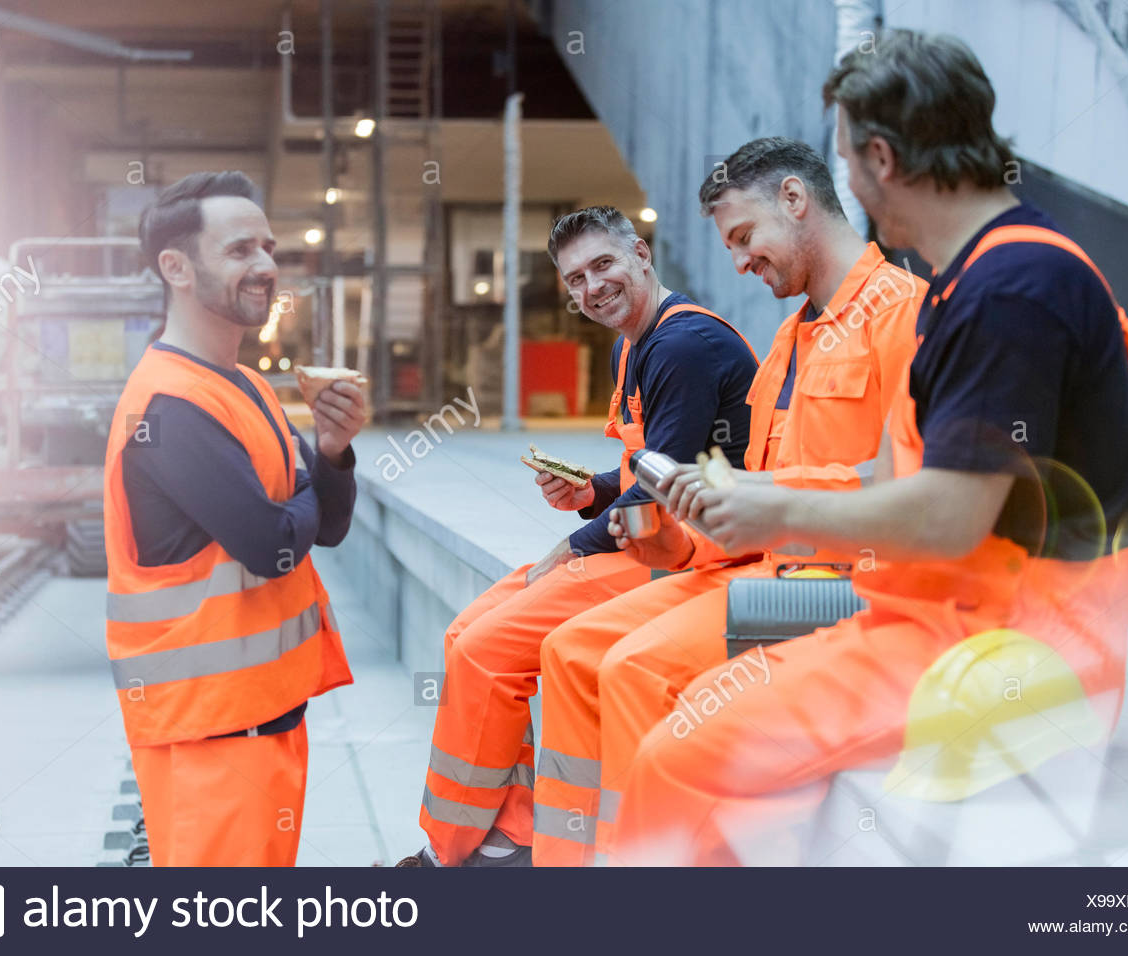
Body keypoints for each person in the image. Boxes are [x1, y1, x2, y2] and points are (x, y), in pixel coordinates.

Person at [611, 30, 1128, 865]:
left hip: (1003, 650)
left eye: (846, 159)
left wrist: (770, 507)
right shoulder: (971, 283)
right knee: (673, 715)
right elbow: (895, 477)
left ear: (879, 157)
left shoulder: (1010, 291)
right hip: (930, 614)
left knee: (682, 759)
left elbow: (949, 518)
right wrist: (752, 511)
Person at [532, 139, 924, 865]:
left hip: (849, 593)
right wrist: (676, 543)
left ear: (795, 201)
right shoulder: (787, 341)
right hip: (767, 573)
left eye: (744, 237)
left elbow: (912, 492)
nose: (738, 261)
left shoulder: (902, 317)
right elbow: (748, 502)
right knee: (570, 648)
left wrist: (757, 501)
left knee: (635, 668)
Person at [399, 206, 759, 867]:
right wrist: (590, 491)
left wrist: (576, 541)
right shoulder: (634, 342)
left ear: (641, 255)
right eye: (574, 280)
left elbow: (661, 488)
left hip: (686, 551)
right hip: (643, 535)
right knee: (463, 637)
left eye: (603, 265)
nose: (591, 288)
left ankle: (455, 856)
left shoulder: (681, 346)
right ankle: (505, 837)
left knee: (484, 652)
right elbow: (639, 467)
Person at [102, 171, 365, 866]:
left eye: (269, 248)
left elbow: (324, 528)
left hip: (262, 717)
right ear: (176, 267)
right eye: (240, 249)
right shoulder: (169, 406)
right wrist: (305, 493)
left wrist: (332, 454)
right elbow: (271, 543)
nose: (267, 267)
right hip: (209, 733)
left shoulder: (244, 384)